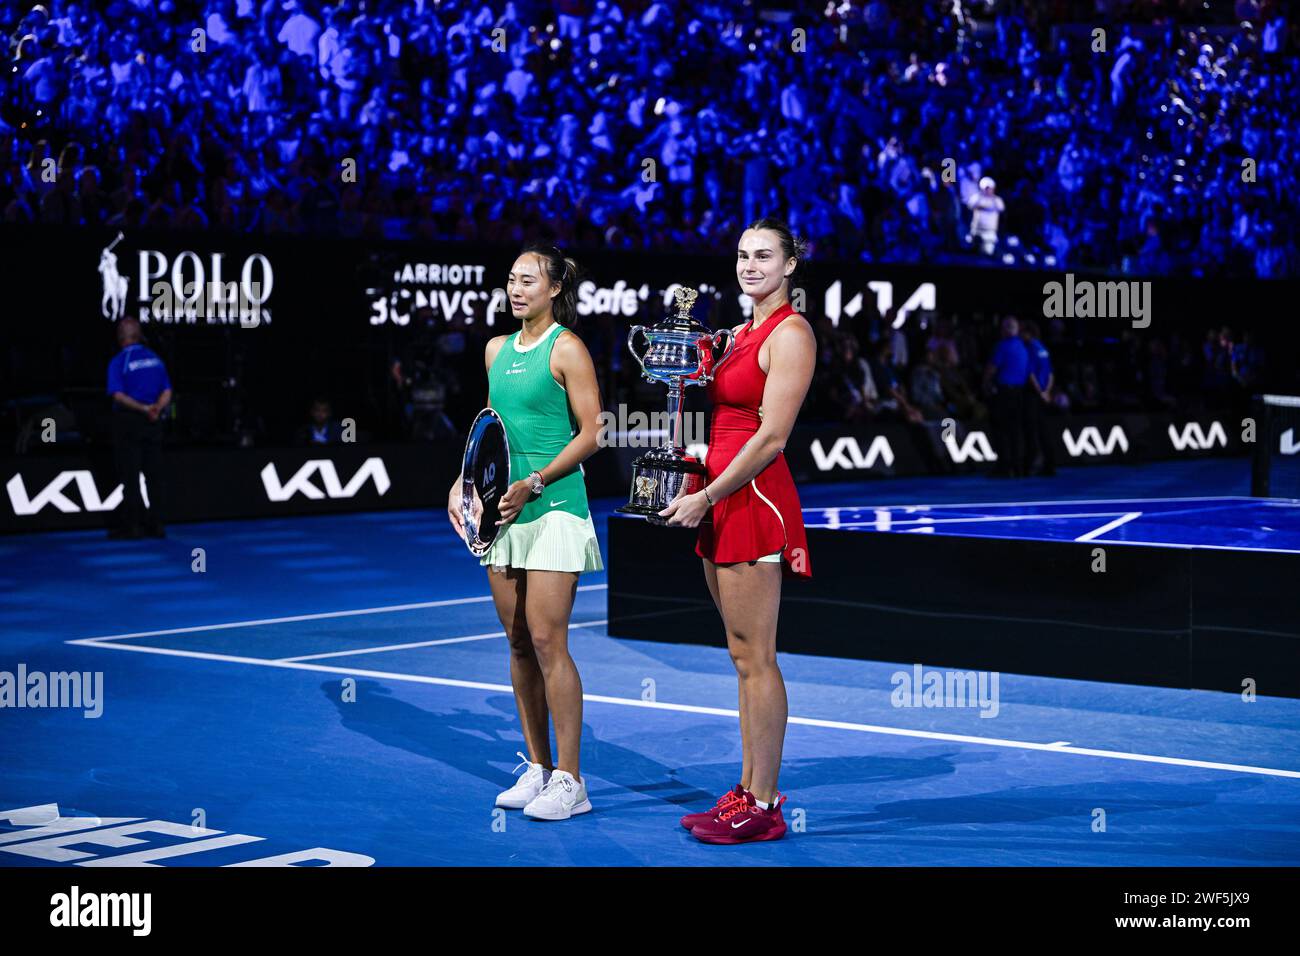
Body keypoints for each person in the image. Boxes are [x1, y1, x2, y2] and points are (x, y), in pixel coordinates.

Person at [660, 217, 815, 844]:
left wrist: (710, 494)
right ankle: (748, 790)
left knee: (759, 658)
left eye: (764, 256)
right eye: (743, 256)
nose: (751, 265)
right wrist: (689, 463)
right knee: (741, 654)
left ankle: (764, 802)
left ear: (790, 265)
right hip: (718, 492)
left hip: (752, 501)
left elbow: (772, 437)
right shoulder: (735, 335)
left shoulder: (792, 333)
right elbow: (722, 425)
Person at [446, 243, 603, 822]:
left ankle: (572, 780)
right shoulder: (495, 350)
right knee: (515, 640)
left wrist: (536, 480)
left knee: (546, 640)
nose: (516, 289)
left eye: (528, 281)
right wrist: (462, 484)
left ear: (555, 288)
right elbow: (490, 431)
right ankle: (537, 768)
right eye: (511, 279)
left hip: (555, 505)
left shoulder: (568, 349)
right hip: (502, 512)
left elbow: (592, 433)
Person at [106, 318, 171, 538]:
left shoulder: (119, 361)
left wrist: (144, 409)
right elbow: (167, 391)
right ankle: (157, 524)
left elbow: (118, 395)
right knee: (154, 475)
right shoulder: (156, 359)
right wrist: (157, 409)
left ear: (120, 338)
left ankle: (133, 526)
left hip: (129, 422)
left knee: (131, 475)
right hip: (153, 422)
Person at [983, 315, 1029, 477]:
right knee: (1015, 430)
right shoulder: (1023, 346)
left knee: (1001, 430)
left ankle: (1004, 466)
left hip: (1004, 393)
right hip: (1019, 393)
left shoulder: (1002, 346)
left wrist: (986, 383)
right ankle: (1017, 466)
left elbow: (992, 369)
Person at [1020, 319, 1056, 476]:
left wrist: (1039, 392)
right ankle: (1049, 465)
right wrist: (1047, 392)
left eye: (1022, 333)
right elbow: (1050, 374)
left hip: (1033, 395)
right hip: (1043, 394)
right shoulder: (1043, 348)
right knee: (1044, 430)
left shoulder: (1030, 348)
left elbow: (1030, 373)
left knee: (1032, 430)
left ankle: (1030, 465)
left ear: (1028, 333)